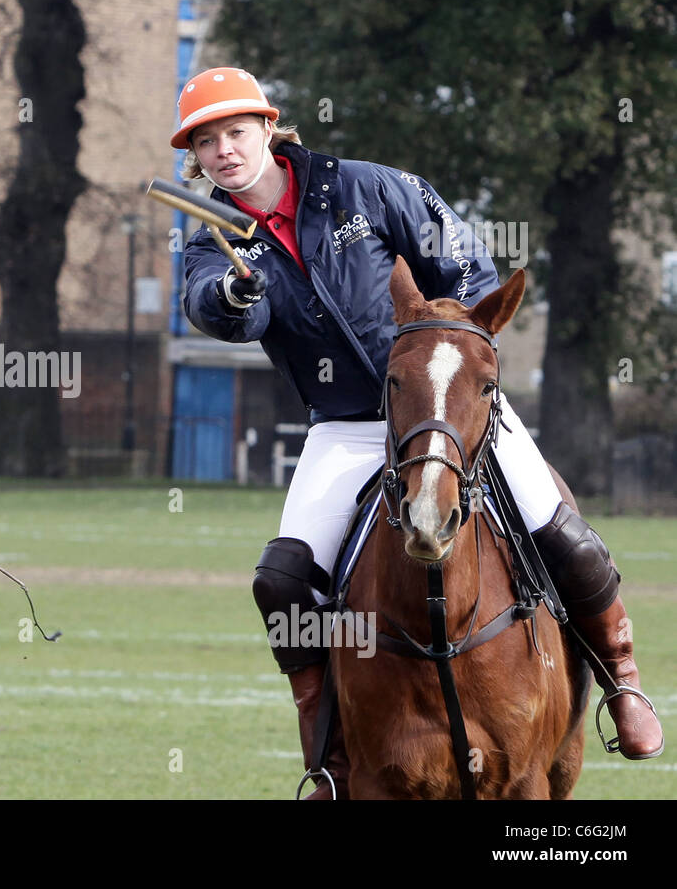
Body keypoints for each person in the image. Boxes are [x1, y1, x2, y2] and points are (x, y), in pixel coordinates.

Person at [173, 66, 665, 797]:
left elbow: (464, 261)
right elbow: (214, 309)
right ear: (196, 157)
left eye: (235, 131)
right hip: (347, 425)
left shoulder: (366, 188)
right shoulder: (217, 236)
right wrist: (237, 292)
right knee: (280, 583)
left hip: (449, 404)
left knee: (563, 534)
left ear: (268, 127)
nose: (224, 150)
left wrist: (449, 345)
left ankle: (623, 684)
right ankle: (331, 753)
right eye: (206, 141)